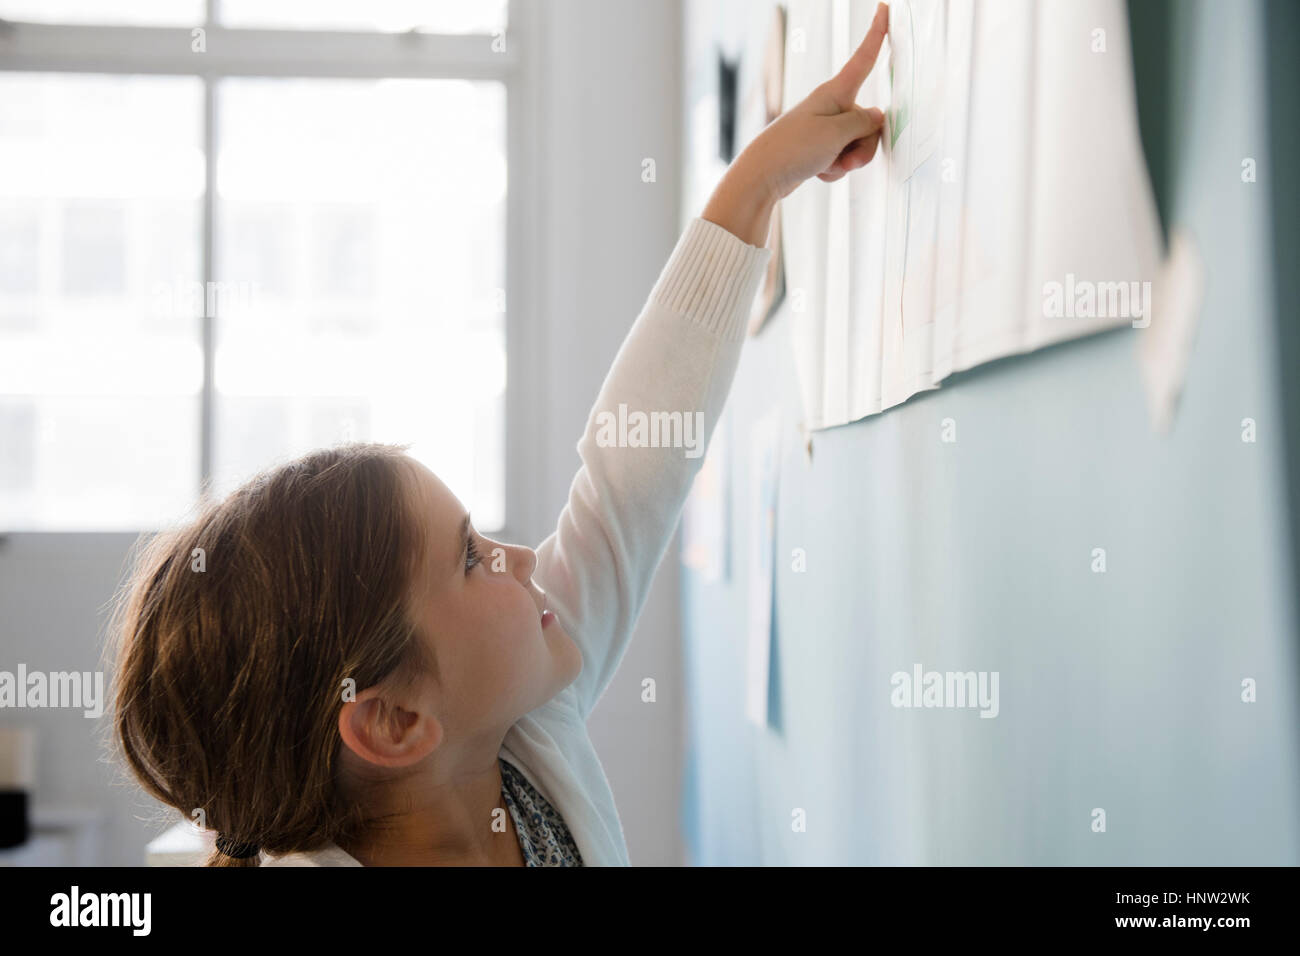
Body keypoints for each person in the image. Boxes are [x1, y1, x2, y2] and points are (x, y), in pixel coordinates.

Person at [110, 3, 890, 867]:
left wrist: (755, 184)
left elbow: (630, 477)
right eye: (472, 558)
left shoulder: (517, 725)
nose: (521, 557)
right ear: (396, 720)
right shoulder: (511, 704)